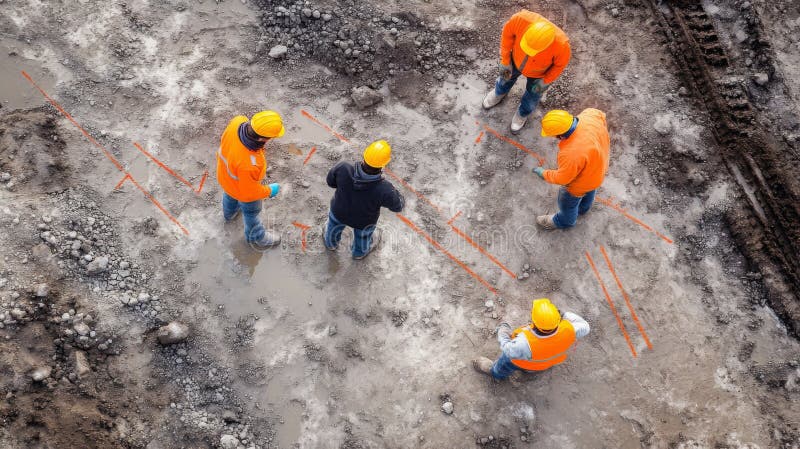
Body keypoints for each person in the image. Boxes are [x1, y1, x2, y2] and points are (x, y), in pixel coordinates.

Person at [482, 10, 571, 134]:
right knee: (505, 77)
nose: (529, 53)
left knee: (533, 96)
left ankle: (522, 114)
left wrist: (545, 81)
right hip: (514, 60)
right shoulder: (519, 20)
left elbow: (559, 66)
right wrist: (505, 60)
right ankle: (499, 93)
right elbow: (507, 36)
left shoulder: (561, 45)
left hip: (539, 75)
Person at [324, 140, 404, 259]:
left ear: (364, 157)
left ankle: (330, 244)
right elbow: (397, 206)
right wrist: (397, 195)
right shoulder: (385, 189)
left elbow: (331, 182)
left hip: (339, 210)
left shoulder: (343, 168)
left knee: (332, 227)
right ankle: (359, 254)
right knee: (363, 237)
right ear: (383, 165)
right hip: (364, 221)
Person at [532, 108, 610, 230]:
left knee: (567, 204)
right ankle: (583, 209)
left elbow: (563, 178)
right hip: (598, 171)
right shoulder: (590, 116)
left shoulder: (570, 154)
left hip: (579, 185)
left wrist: (544, 173)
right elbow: (601, 115)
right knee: (590, 190)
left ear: (561, 135)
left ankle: (564, 221)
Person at [473, 298, 589, 380]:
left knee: (505, 363)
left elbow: (508, 350)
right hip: (546, 362)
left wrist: (503, 331)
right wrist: (564, 315)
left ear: (534, 321)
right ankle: (531, 371)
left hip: (522, 361)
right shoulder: (571, 330)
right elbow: (585, 327)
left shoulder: (524, 344)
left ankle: (495, 373)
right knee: (537, 365)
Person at [216, 110, 284, 249]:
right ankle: (256, 237)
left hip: (226, 178)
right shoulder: (250, 163)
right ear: (262, 138)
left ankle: (229, 214)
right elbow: (249, 194)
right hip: (243, 190)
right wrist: (270, 190)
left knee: (229, 197)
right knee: (251, 213)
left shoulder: (237, 121)